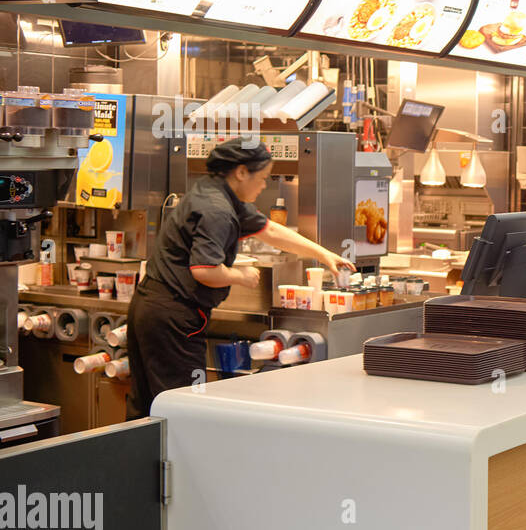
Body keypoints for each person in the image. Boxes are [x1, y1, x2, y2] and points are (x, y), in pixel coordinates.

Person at [126, 139, 355, 419]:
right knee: (179, 408)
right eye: (261, 178)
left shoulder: (219, 193)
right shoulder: (218, 209)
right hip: (172, 316)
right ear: (241, 172)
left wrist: (323, 254)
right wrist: (241, 276)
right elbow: (205, 270)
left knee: (145, 406)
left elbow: (270, 231)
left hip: (149, 306)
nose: (264, 184)